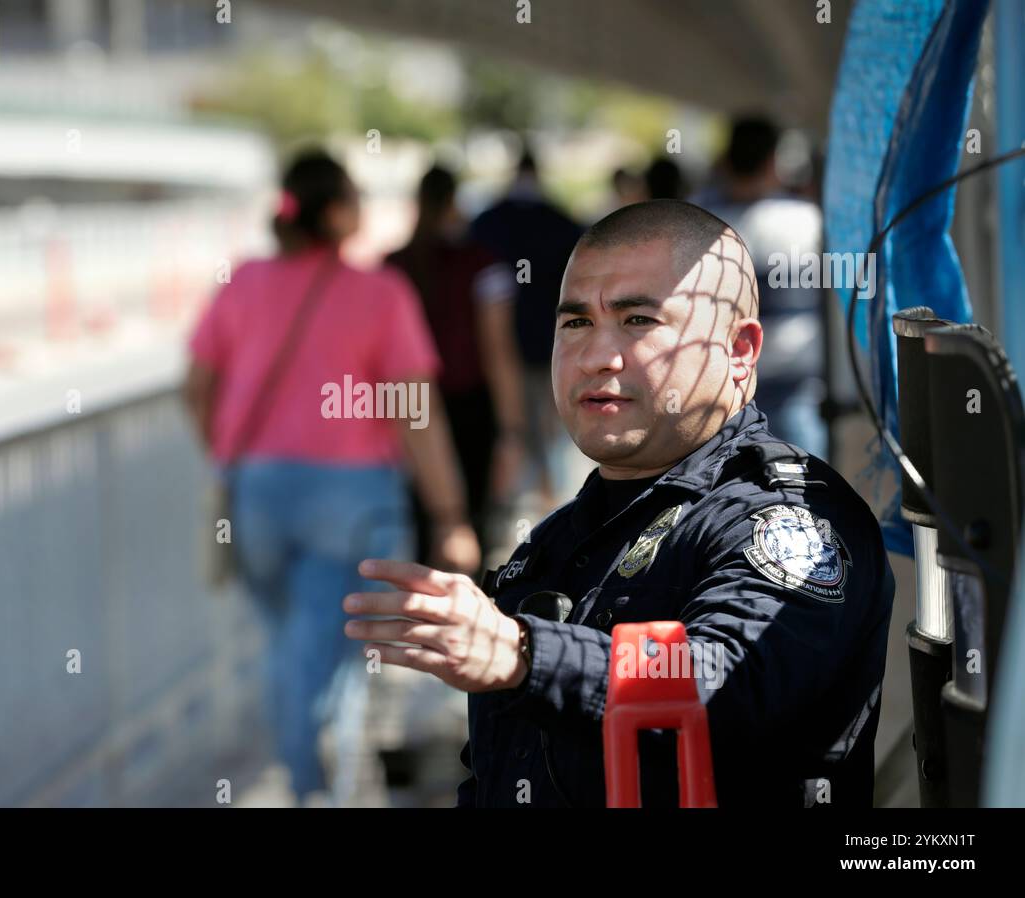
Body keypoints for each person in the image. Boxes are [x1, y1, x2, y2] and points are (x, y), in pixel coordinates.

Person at [342, 200, 895, 807]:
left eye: (637, 321)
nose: (597, 355)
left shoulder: (787, 517)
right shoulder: (552, 543)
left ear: (740, 351)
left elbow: (729, 685)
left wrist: (526, 654)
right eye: (575, 323)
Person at [183, 150, 479, 806]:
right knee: (334, 655)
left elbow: (197, 385)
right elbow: (416, 414)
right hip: (351, 501)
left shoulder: (243, 283)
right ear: (340, 211)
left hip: (254, 496)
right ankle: (315, 785)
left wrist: (229, 454)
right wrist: (451, 514)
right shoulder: (379, 294)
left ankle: (313, 775)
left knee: (293, 644)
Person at [385, 165, 527, 571]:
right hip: (470, 409)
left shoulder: (392, 265)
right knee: (468, 525)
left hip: (404, 404)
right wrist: (513, 430)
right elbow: (498, 350)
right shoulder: (483, 265)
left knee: (415, 521)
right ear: (454, 203)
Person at [693, 115, 829, 458]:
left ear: (726, 161)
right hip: (796, 384)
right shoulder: (807, 222)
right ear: (773, 162)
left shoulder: (696, 222)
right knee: (804, 484)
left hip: (718, 389)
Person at [470, 146, 584, 509]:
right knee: (551, 435)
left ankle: (507, 511)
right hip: (550, 347)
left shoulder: (486, 223)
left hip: (492, 352)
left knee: (510, 433)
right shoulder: (563, 223)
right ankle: (553, 508)